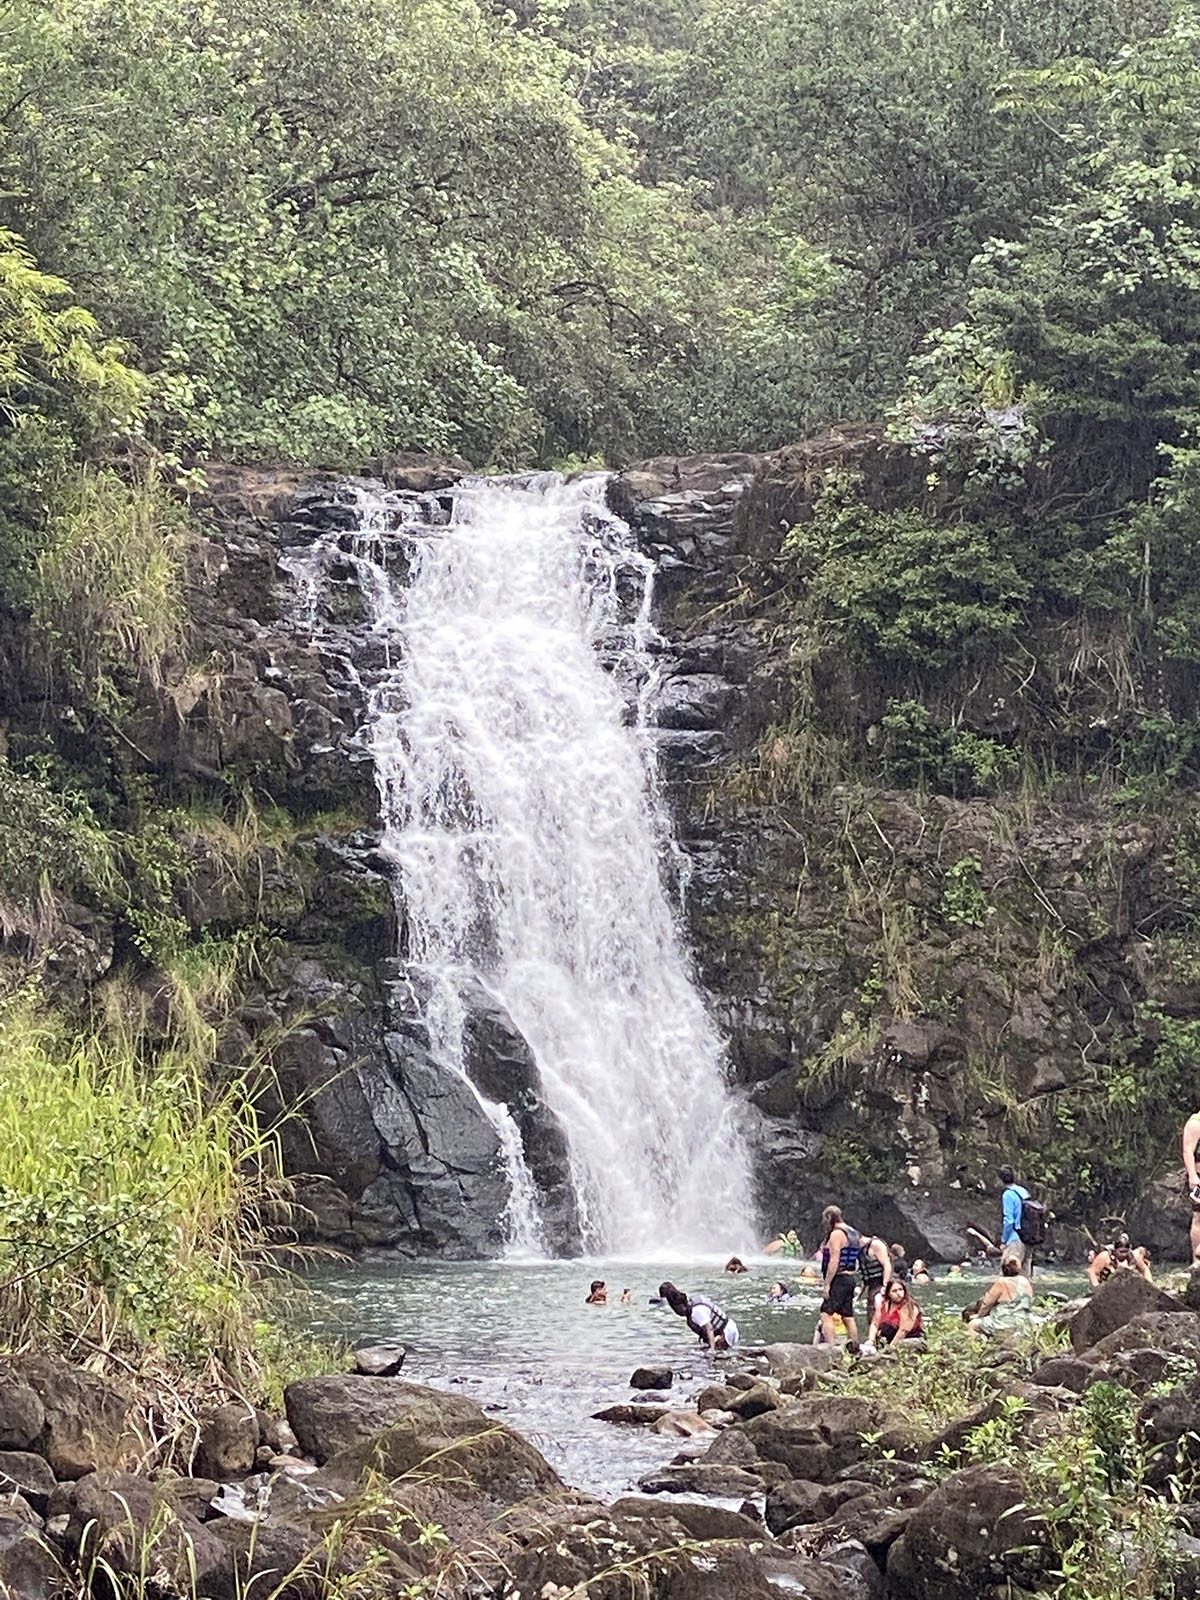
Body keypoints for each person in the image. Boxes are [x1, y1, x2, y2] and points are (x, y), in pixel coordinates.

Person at [819, 1205, 862, 1345]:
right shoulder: (853, 1232)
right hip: (850, 1277)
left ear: (829, 1218)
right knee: (847, 1315)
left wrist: (827, 1284)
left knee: (826, 1313)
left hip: (839, 1278)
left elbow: (834, 1260)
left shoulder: (836, 1234)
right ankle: (854, 1345)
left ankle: (831, 1347)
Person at [658, 1282, 739, 1351]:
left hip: (728, 1332)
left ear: (680, 1307)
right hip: (726, 1328)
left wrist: (712, 1350)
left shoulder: (696, 1312)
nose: (677, 1313)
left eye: (676, 1310)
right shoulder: (693, 1303)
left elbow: (709, 1329)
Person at [969, 1257, 1034, 1339]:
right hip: (1026, 1322)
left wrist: (979, 1316)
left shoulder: (1001, 1282)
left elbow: (987, 1304)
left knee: (973, 1324)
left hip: (1005, 1322)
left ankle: (978, 1348)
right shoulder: (1025, 1281)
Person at [868, 1280, 924, 1347]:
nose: (898, 1293)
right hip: (889, 1339)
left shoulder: (909, 1306)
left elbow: (903, 1331)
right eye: (894, 1291)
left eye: (900, 1290)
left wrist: (890, 1348)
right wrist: (871, 1340)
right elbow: (874, 1324)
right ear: (888, 1293)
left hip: (909, 1339)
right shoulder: (884, 1305)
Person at [1088, 1233, 1152, 1286]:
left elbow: (1145, 1270)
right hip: (1107, 1285)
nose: (1122, 1254)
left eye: (1125, 1251)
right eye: (1120, 1251)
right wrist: (1097, 1288)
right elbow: (1092, 1272)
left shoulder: (1136, 1257)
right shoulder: (1104, 1257)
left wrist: (1150, 1285)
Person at [998, 1165, 1030, 1269]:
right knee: (1024, 1279)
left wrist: (1004, 1240)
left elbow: (1009, 1221)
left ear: (1001, 1179)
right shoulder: (1023, 1191)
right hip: (1028, 1238)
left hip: (1015, 1238)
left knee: (1008, 1275)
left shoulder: (1008, 1195)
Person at [857, 1232, 893, 1313]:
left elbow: (887, 1265)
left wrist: (885, 1286)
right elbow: (865, 1274)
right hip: (872, 1286)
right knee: (871, 1313)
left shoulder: (876, 1244)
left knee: (878, 1311)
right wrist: (859, 1295)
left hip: (880, 1284)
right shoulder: (861, 1250)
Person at [1183, 1111, 1200, 1265]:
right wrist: (1193, 1176)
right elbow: (1188, 1150)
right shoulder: (1195, 1123)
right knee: (1199, 1217)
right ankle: (1197, 1261)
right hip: (1199, 1175)